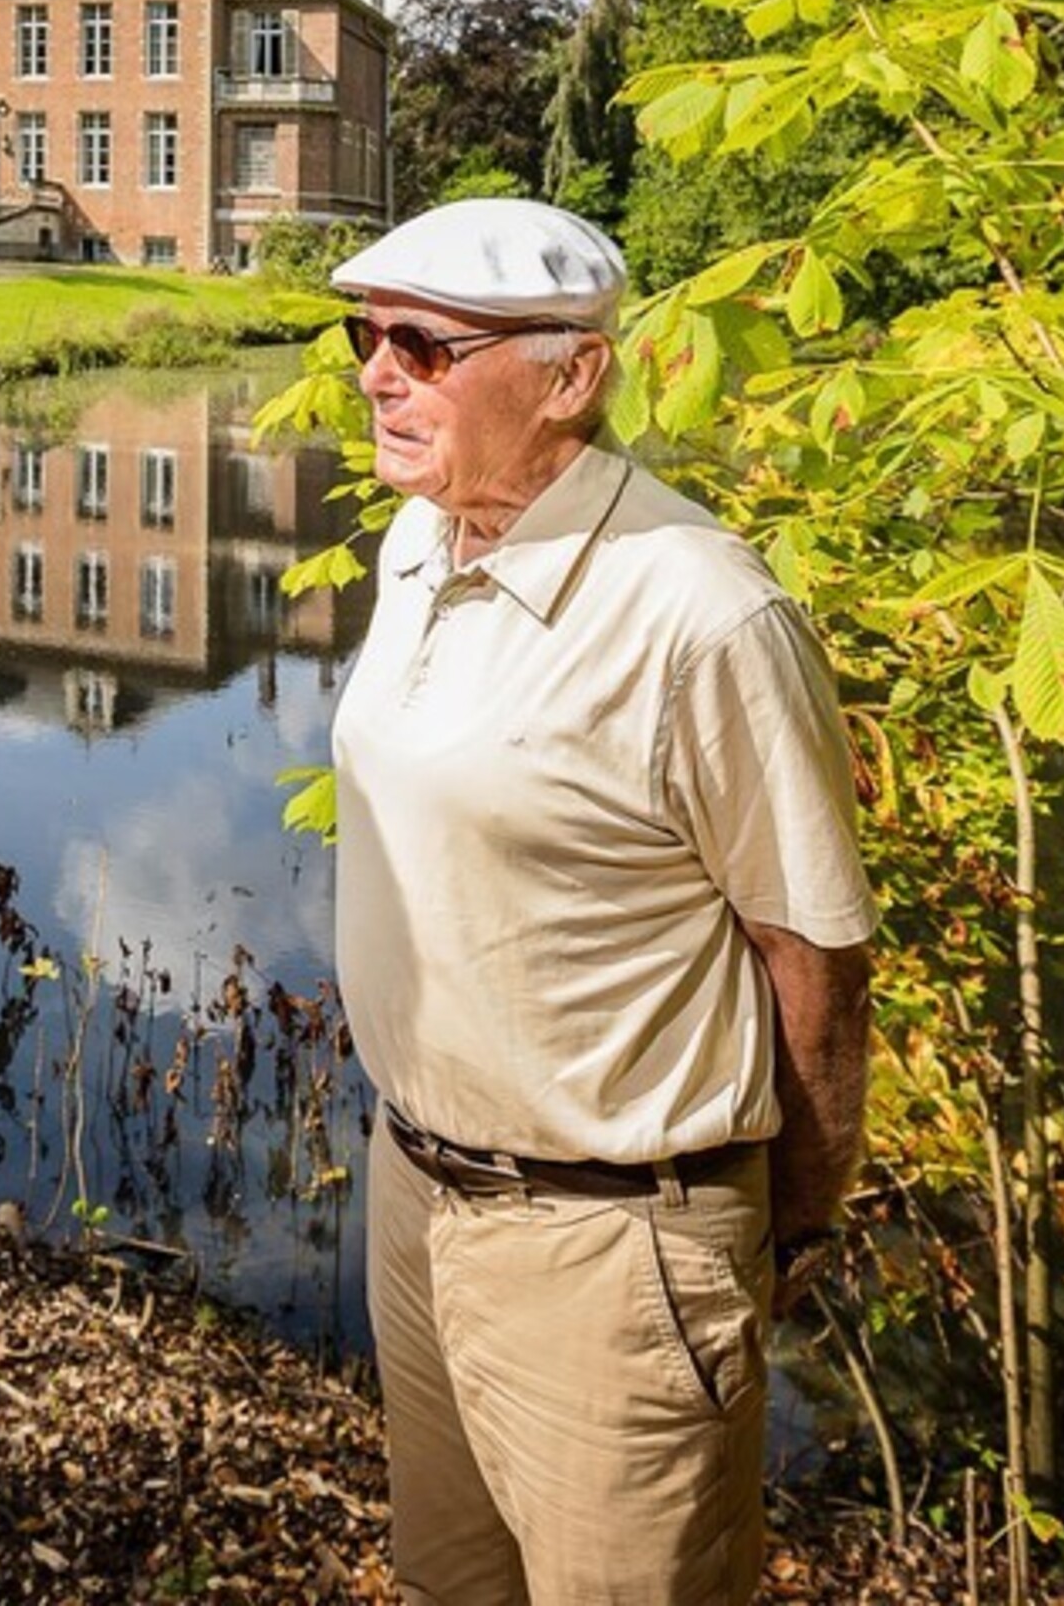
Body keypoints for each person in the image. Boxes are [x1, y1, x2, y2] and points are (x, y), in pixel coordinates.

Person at [327, 198, 876, 1606]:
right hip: (416, 1195)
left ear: (570, 378)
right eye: (364, 335)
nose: (378, 373)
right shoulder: (420, 540)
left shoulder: (703, 613)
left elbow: (810, 951)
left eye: (425, 347)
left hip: (612, 1247)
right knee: (453, 1585)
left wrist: (785, 1225)